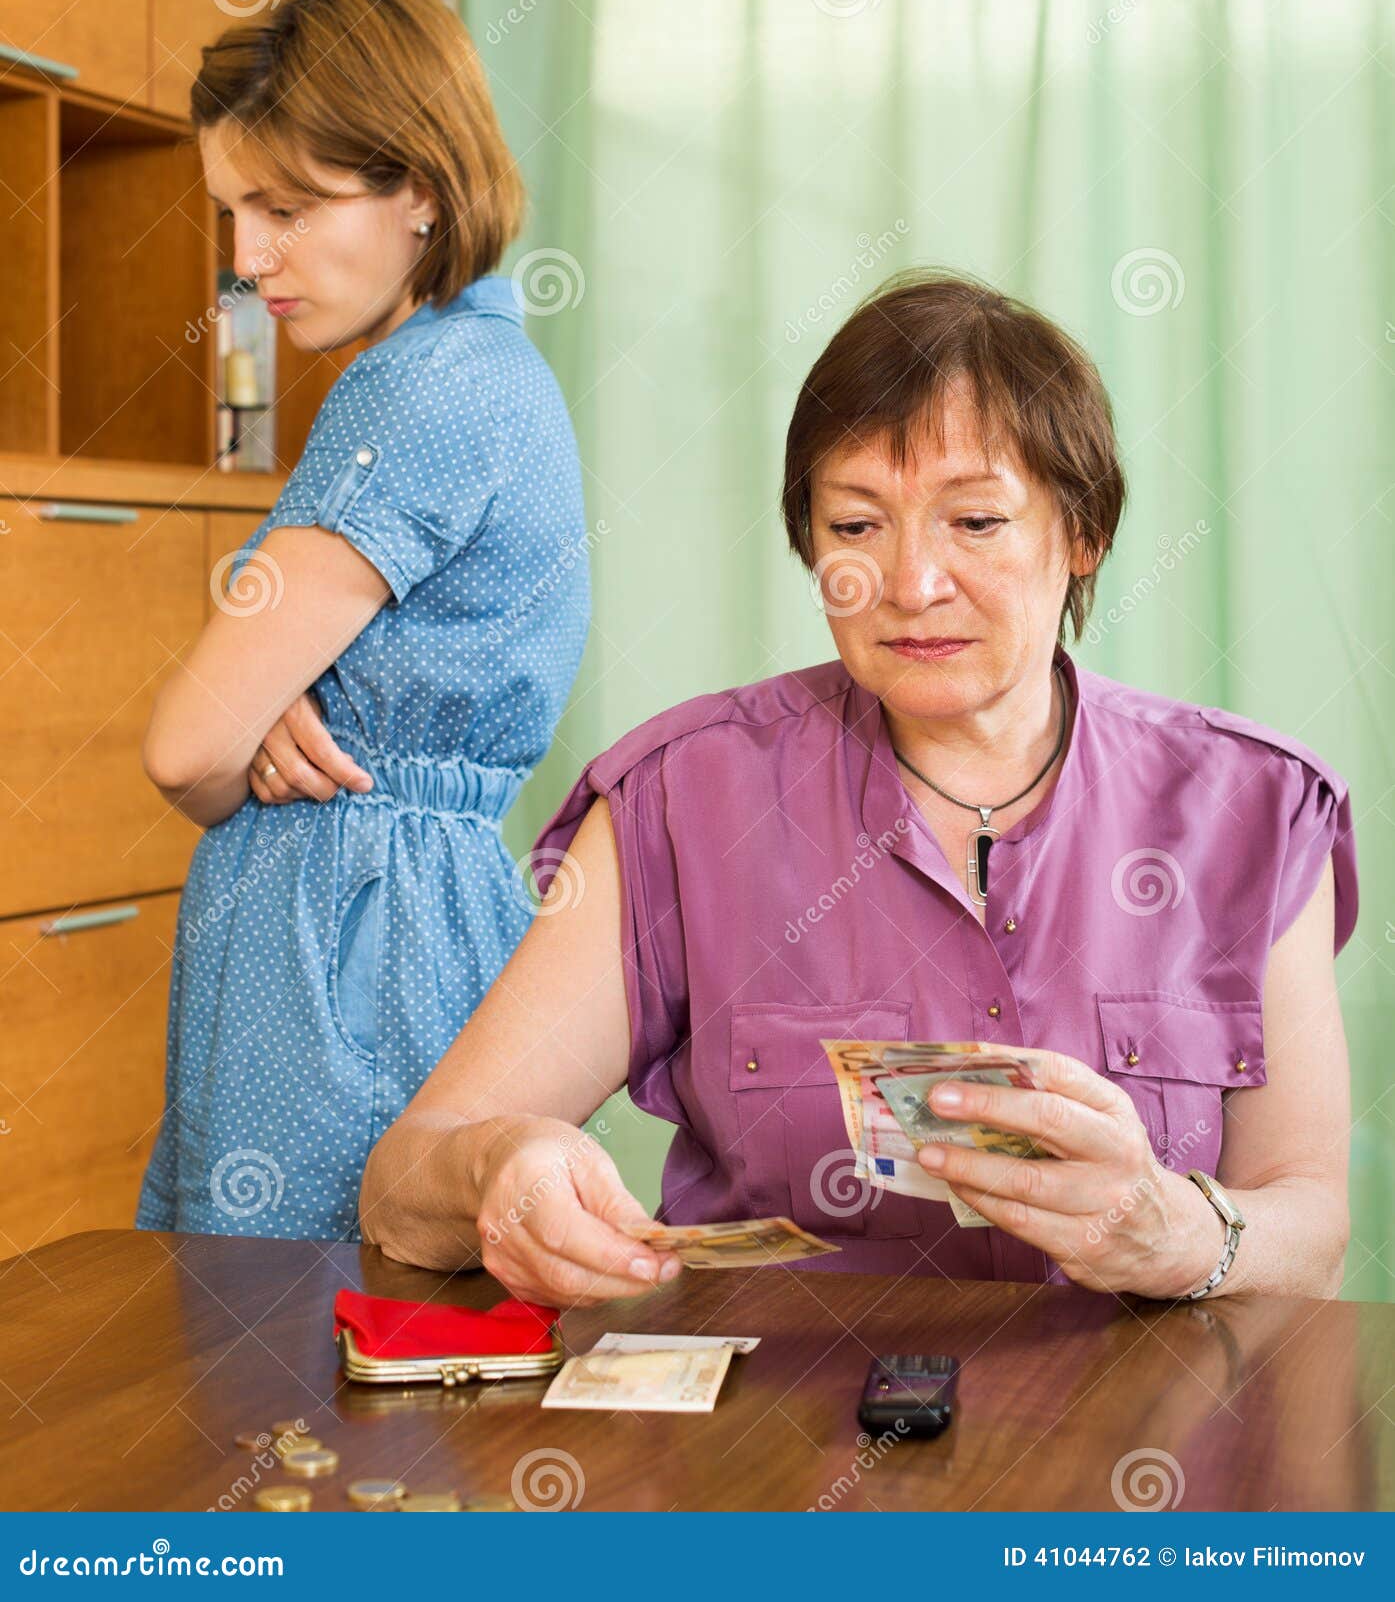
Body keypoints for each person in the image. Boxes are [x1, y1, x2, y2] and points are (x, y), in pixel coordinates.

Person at [359, 270, 1357, 1307]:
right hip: (778, 1450)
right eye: (856, 526)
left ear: (1083, 533)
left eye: (974, 521)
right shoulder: (678, 799)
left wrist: (1180, 1233)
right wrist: (497, 1172)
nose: (911, 583)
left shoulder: (1254, 805)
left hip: (1138, 1448)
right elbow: (401, 1185)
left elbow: (1311, 1221)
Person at [136, 0, 589, 1239]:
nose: (247, 259)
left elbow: (185, 744)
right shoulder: (487, 369)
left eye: (287, 207)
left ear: (423, 192)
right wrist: (266, 691)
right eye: (231, 211)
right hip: (391, 916)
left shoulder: (415, 390)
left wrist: (249, 706)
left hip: (345, 950)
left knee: (296, 1375)